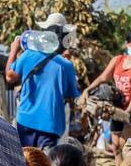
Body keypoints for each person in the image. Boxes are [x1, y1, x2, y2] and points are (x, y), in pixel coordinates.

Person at [5, 12, 81, 149]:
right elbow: (72, 96)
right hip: (50, 125)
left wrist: (13, 50)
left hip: (25, 121)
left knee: (26, 163)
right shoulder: (66, 65)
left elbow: (10, 77)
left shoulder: (28, 55)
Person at [83, 29, 131, 148]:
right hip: (117, 107)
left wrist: (129, 109)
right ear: (127, 44)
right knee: (116, 145)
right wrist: (87, 90)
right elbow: (103, 78)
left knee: (125, 144)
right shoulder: (118, 60)